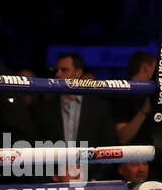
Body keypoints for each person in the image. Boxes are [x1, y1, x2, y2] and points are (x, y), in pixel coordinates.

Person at [33, 53, 118, 182]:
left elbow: (109, 147)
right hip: (54, 182)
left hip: (92, 181)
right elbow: (35, 146)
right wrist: (51, 177)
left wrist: (94, 180)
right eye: (57, 70)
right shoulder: (44, 108)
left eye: (64, 70)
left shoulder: (99, 108)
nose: (58, 75)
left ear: (78, 73)